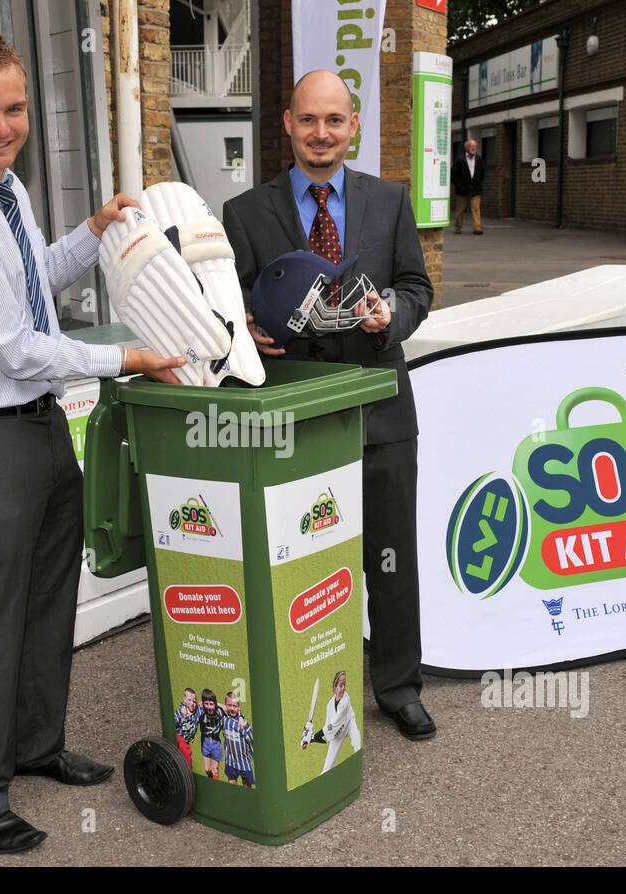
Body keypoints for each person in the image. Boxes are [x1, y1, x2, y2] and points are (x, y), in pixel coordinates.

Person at [0, 31, 184, 855]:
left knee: (50, 601)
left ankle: (33, 747)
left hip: (42, 426)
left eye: (13, 107)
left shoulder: (1, 188)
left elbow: (29, 282)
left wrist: (90, 233)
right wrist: (125, 357)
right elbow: (15, 345)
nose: (1, 124)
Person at [222, 69, 436, 741]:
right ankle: (304, 685)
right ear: (287, 124)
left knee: (392, 557)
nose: (322, 134)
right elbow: (226, 309)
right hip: (295, 416)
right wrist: (241, 333)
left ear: (354, 127)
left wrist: (389, 314)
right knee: (301, 562)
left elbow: (416, 287)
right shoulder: (244, 213)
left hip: (381, 411)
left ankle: (398, 686)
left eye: (335, 121)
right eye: (309, 120)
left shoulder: (391, 201)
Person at [303, 669, 361, 775]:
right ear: (334, 688)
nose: (343, 688)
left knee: (357, 739)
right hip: (337, 734)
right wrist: (310, 739)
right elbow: (326, 735)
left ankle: (357, 768)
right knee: (327, 768)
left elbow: (332, 724)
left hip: (349, 724)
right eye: (340, 686)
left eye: (344, 685)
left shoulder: (345, 702)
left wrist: (312, 736)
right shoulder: (329, 705)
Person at [220, 692, 255, 788]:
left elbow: (251, 741)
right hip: (231, 761)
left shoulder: (243, 724)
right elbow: (203, 704)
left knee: (247, 786)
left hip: (244, 762)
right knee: (231, 784)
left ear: (239, 707)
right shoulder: (224, 719)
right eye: (229, 705)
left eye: (234, 706)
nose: (231, 708)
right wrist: (220, 705)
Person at [452, 138, 485, 235]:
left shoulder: (479, 159)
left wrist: (478, 182)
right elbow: (453, 174)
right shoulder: (460, 160)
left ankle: (477, 228)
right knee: (460, 210)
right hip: (462, 189)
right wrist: (458, 185)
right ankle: (458, 228)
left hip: (475, 189)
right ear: (467, 148)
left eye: (475, 146)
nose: (473, 148)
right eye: (471, 146)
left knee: (476, 208)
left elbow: (482, 173)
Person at [197, 688, 225, 779]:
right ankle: (211, 779)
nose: (209, 707)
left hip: (216, 742)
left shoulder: (219, 712)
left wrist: (219, 705)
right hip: (205, 742)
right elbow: (194, 708)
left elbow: (228, 710)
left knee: (215, 769)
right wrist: (201, 704)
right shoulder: (201, 713)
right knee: (207, 769)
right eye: (206, 704)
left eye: (211, 704)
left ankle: (217, 785)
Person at [174, 688, 199, 768]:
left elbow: (204, 704)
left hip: (186, 743)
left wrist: (221, 706)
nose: (192, 703)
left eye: (194, 701)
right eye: (189, 700)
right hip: (180, 741)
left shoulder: (197, 712)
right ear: (184, 699)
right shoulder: (179, 714)